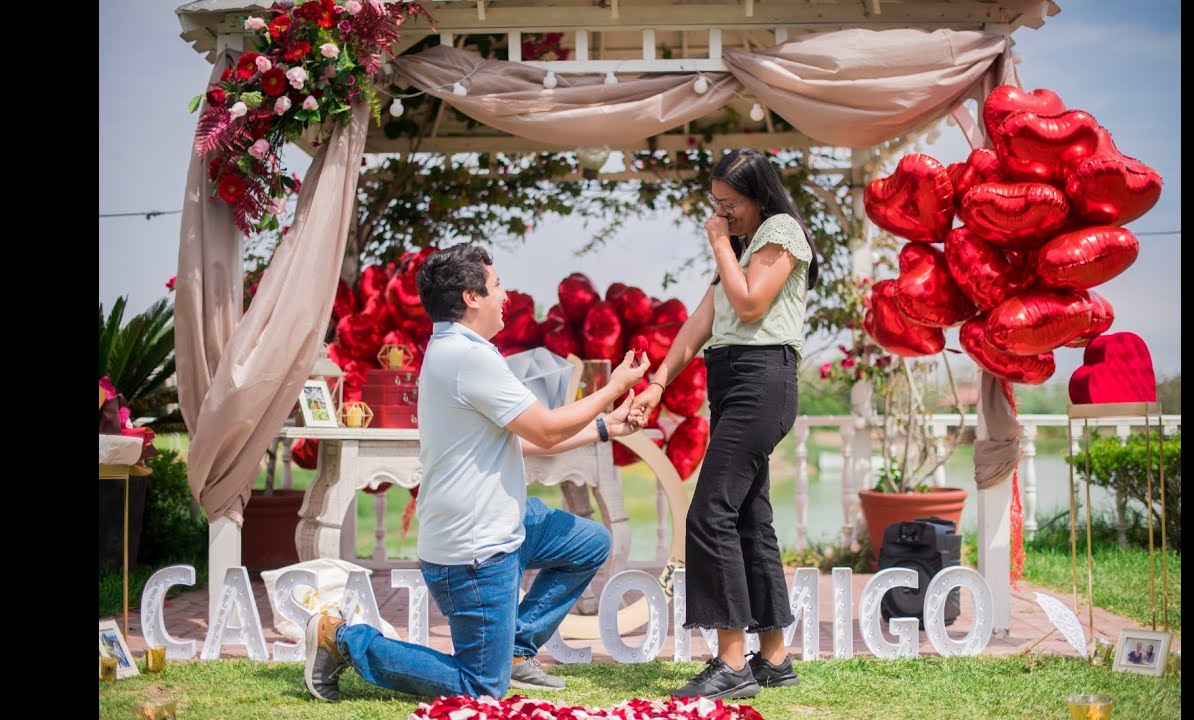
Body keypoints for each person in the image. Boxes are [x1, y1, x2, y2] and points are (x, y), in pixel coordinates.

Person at [302, 244, 651, 702]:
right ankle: (342, 639)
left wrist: (606, 427)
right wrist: (613, 388)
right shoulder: (468, 358)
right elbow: (545, 432)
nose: (505, 296)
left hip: (506, 522)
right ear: (471, 297)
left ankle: (515, 648)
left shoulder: (462, 351)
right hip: (474, 551)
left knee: (590, 543)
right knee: (481, 686)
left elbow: (522, 437)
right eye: (497, 285)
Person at [633, 148, 820, 701]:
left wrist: (718, 244)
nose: (721, 213)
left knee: (709, 512)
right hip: (734, 381)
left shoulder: (782, 230)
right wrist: (659, 383)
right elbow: (702, 321)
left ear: (759, 195)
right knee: (747, 519)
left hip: (763, 380)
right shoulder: (739, 250)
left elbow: (752, 303)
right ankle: (774, 657)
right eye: (715, 204)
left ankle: (731, 663)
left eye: (730, 203)